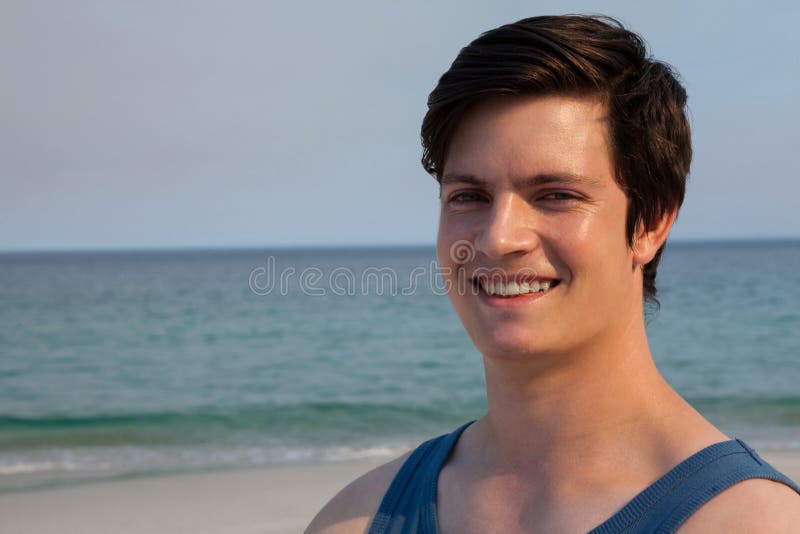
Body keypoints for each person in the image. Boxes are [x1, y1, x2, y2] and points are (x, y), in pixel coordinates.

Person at [307, 14, 800, 533]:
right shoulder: (357, 517)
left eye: (556, 196)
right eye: (468, 197)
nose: (499, 237)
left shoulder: (748, 521)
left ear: (651, 223)